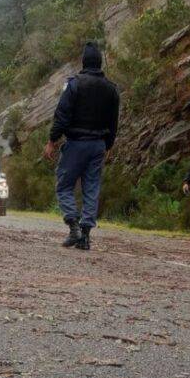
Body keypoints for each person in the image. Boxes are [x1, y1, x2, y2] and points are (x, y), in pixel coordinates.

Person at [44, 41, 120, 251]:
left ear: (84, 61)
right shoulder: (111, 89)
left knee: (64, 185)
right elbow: (114, 120)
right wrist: (109, 145)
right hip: (98, 146)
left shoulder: (74, 84)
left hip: (77, 143)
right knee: (91, 189)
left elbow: (62, 115)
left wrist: (52, 140)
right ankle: (85, 236)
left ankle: (73, 226)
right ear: (100, 62)